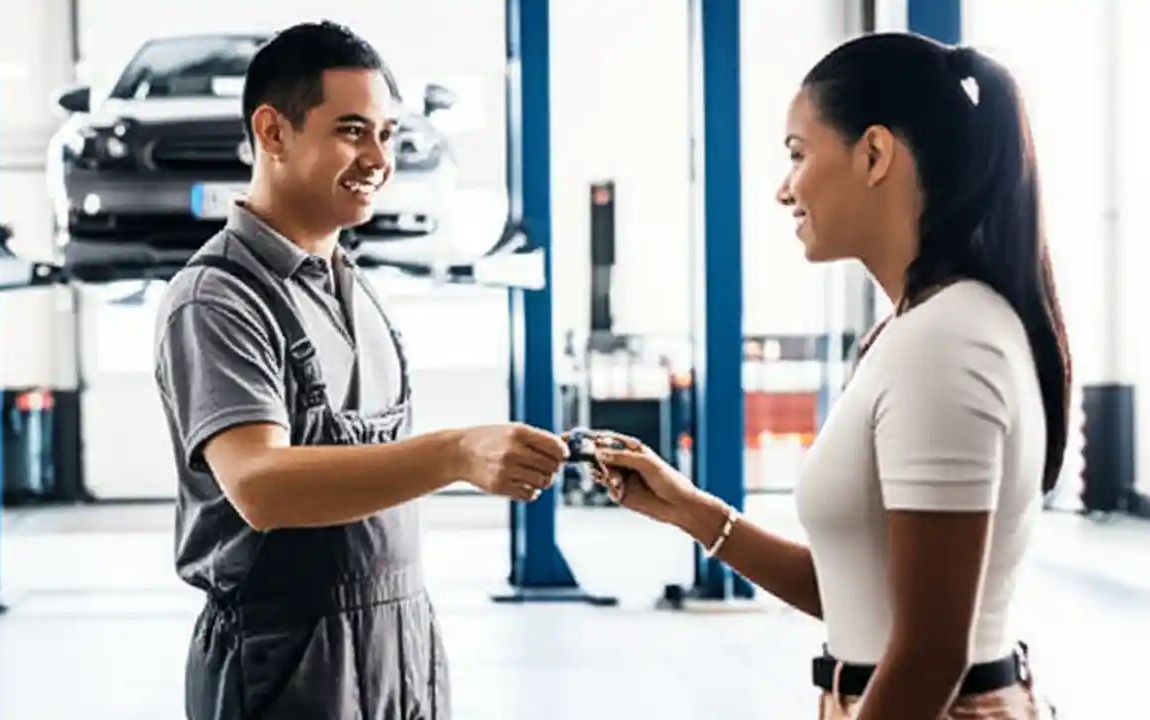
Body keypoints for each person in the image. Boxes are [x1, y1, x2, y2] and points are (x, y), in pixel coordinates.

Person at [594, 33, 1067, 719]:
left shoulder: (946, 341)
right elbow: (858, 595)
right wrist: (690, 510)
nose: (784, 189)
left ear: (874, 154)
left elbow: (932, 655)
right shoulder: (917, 329)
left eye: (797, 154)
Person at [152, 21, 568, 720]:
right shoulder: (217, 298)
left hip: (400, 643)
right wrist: (456, 454)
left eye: (387, 135)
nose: (379, 159)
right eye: (352, 132)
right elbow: (259, 484)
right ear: (273, 132)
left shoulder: (356, 287)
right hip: (285, 661)